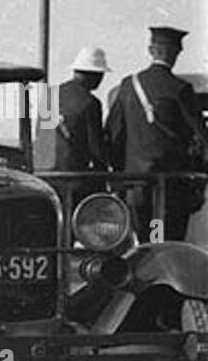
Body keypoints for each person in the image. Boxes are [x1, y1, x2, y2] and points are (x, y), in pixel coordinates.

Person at [105, 26, 208, 241]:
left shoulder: (128, 86)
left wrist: (119, 177)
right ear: (177, 52)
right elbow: (201, 138)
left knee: (145, 242)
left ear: (150, 50)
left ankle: (148, 265)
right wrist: (199, 180)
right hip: (172, 186)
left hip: (136, 185)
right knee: (166, 243)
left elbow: (114, 135)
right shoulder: (181, 89)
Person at [51, 46, 110, 212]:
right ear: (95, 74)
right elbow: (96, 150)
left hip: (48, 178)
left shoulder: (50, 95)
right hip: (76, 181)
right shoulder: (90, 103)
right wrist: (104, 182)